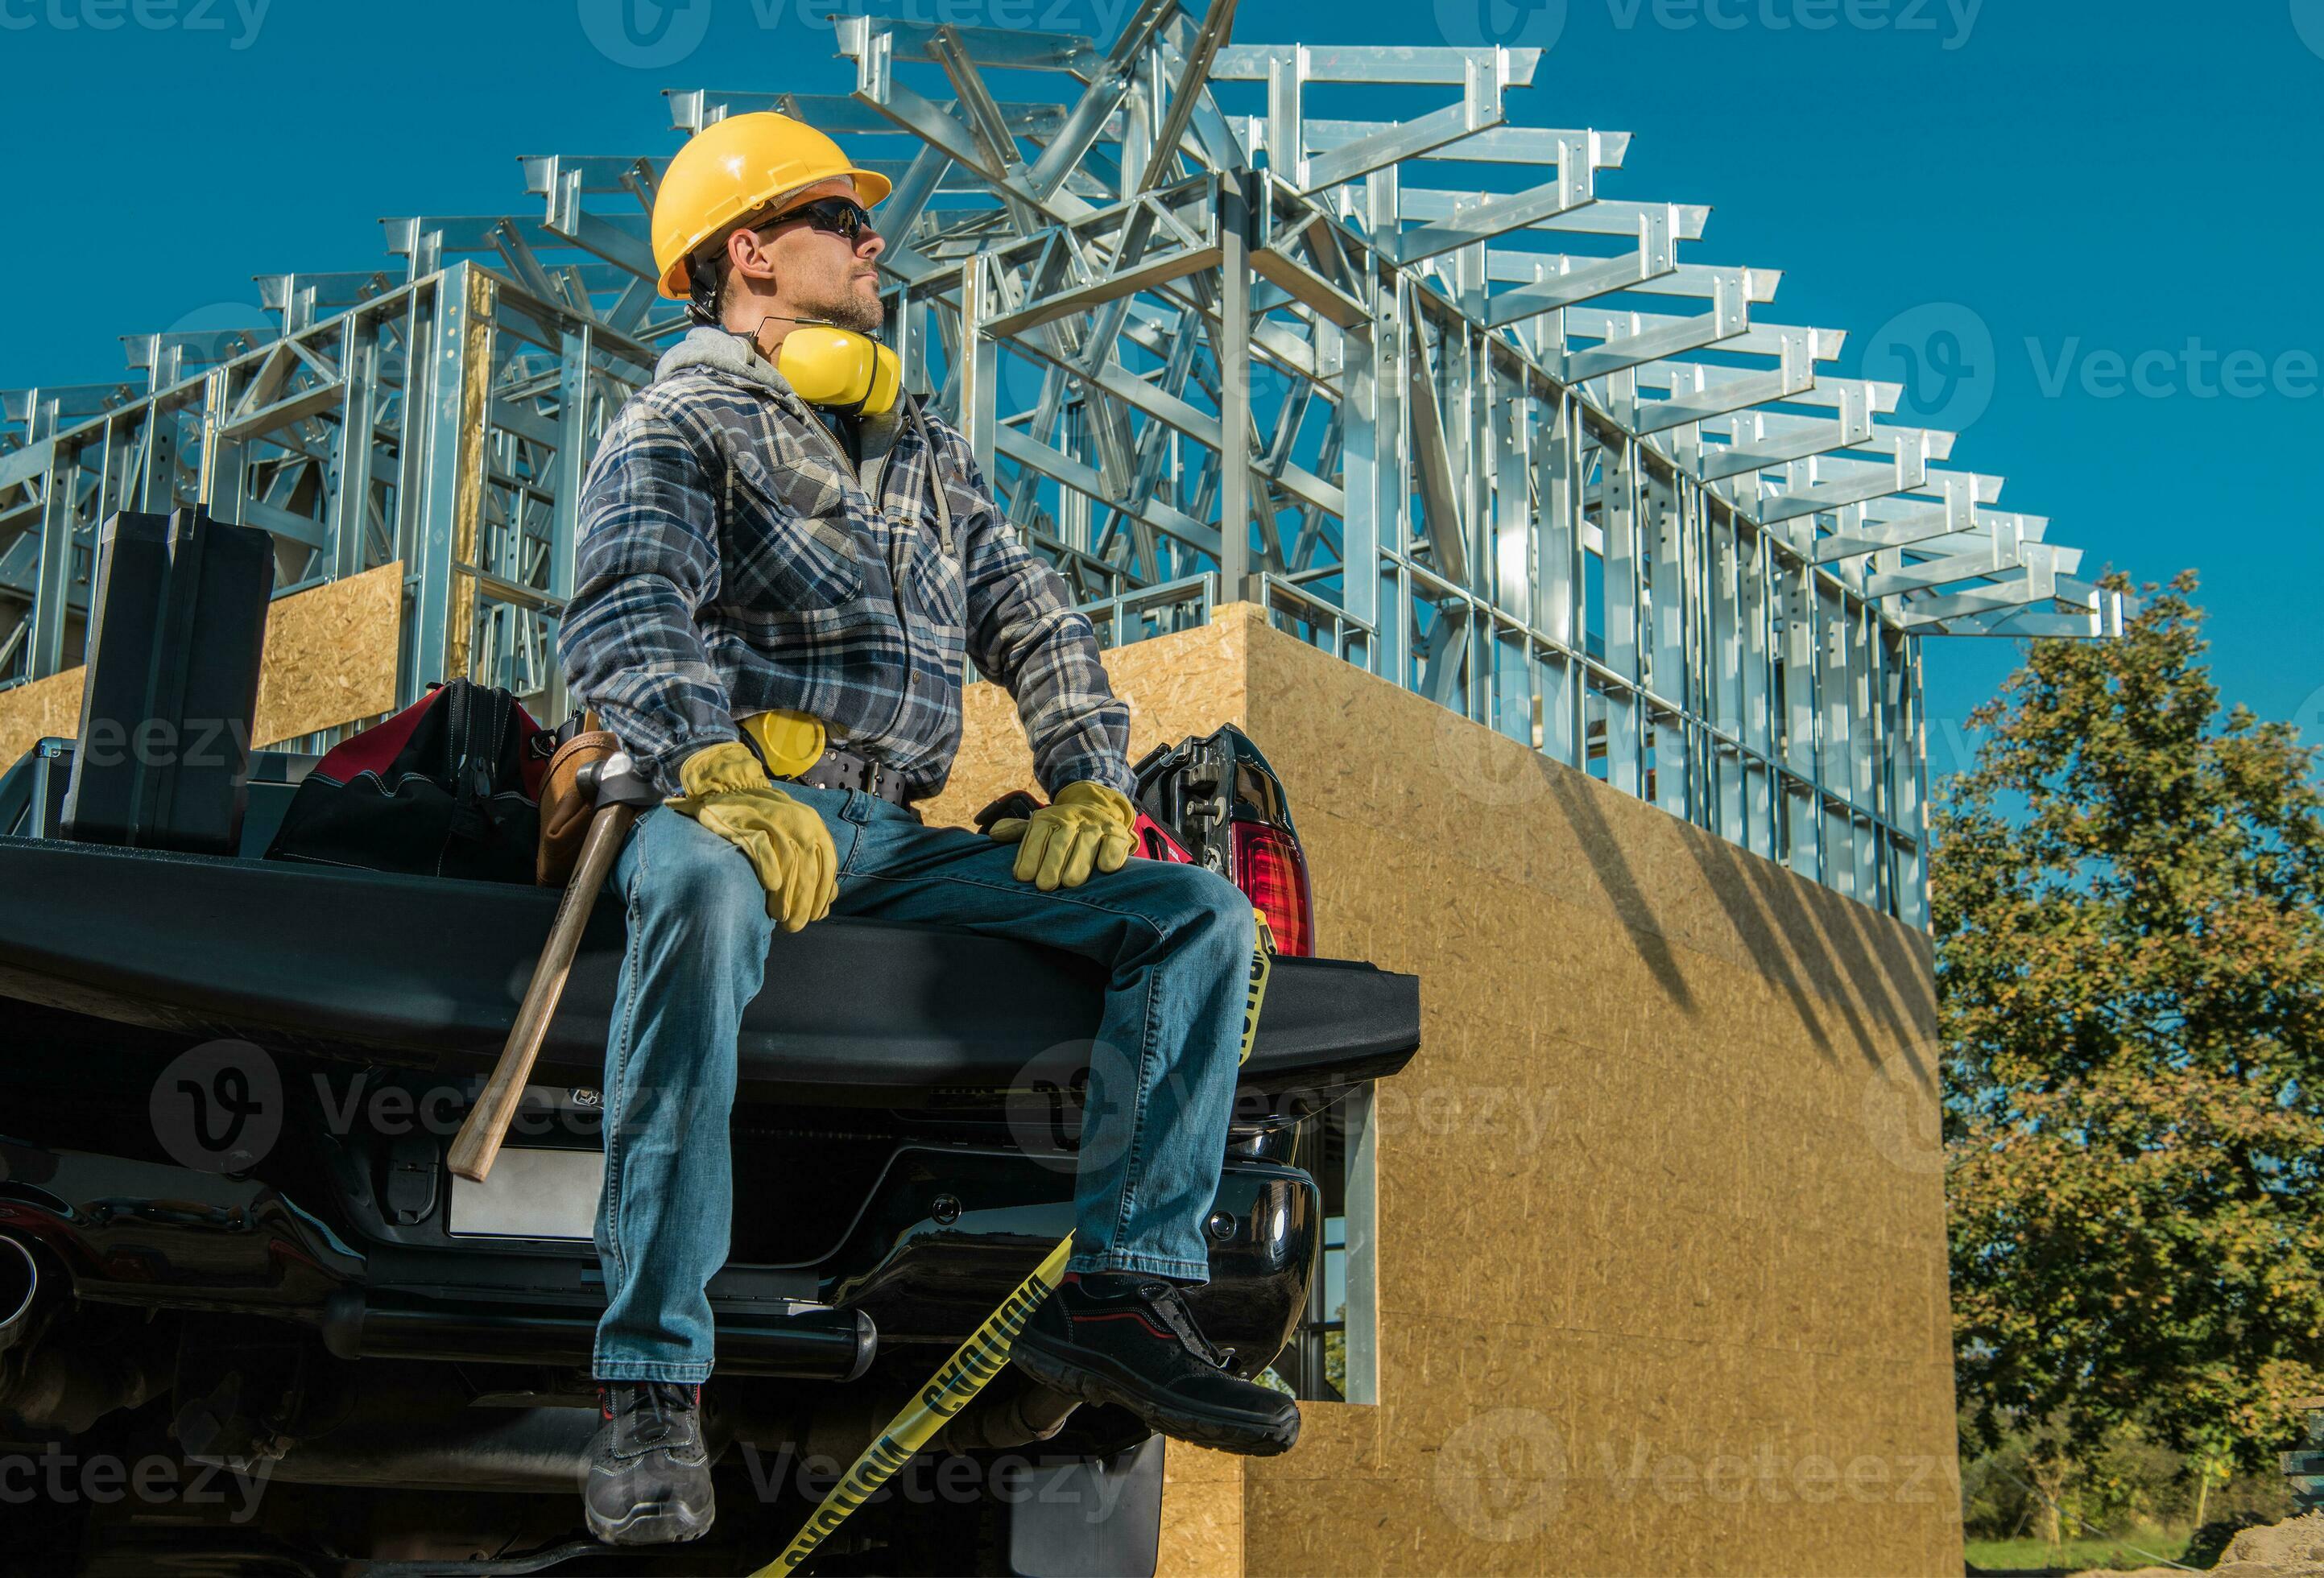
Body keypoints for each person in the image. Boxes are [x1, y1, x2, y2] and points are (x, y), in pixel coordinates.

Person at [556, 111, 1300, 1547]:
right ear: (751, 254)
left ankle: (1118, 1297)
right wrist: (712, 774)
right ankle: (649, 1387)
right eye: (841, 216)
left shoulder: (925, 452)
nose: (873, 236)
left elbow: (1039, 623)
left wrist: (1090, 776)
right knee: (701, 898)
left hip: (889, 836)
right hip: (731, 814)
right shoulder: (679, 422)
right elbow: (626, 604)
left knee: (1195, 914)